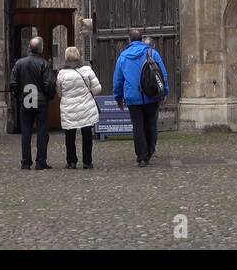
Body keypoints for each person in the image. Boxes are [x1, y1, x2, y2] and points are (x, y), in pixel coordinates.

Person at [113, 28, 169, 167]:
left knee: (137, 126)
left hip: (133, 97)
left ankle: (141, 156)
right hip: (151, 95)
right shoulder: (152, 53)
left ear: (129, 40)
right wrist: (165, 91)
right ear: (141, 39)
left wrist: (118, 98)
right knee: (151, 124)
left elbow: (118, 80)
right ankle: (149, 151)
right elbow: (162, 74)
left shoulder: (123, 57)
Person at [10, 36, 56, 170]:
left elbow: (13, 83)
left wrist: (19, 96)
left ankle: (26, 161)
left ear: (29, 48)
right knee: (42, 132)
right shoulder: (44, 64)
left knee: (26, 132)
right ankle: (41, 161)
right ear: (41, 48)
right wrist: (49, 96)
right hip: (41, 101)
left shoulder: (19, 63)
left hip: (25, 100)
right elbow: (48, 84)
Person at [56, 46, 102, 169]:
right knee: (87, 135)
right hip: (86, 107)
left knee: (69, 136)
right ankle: (87, 161)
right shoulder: (87, 70)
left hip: (68, 108)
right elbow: (97, 89)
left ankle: (71, 161)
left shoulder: (61, 74)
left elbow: (59, 93)